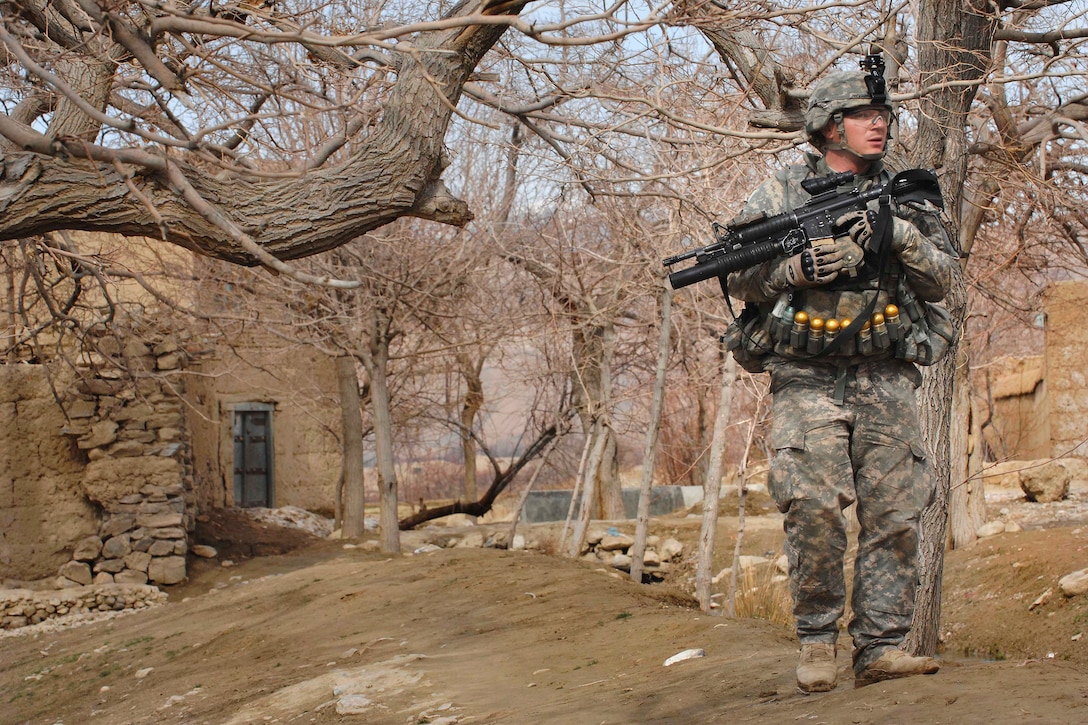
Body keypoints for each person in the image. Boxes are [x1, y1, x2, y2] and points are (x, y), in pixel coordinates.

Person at [724, 64, 957, 692]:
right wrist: (793, 270)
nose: (879, 124)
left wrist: (894, 237)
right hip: (805, 375)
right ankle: (817, 642)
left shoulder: (906, 195)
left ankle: (880, 647)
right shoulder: (781, 192)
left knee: (896, 512)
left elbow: (943, 281)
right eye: (864, 115)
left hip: (885, 373)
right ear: (830, 126)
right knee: (812, 508)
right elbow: (734, 273)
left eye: (883, 115)